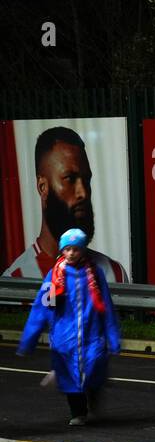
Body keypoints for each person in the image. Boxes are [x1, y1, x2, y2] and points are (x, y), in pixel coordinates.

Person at [16, 228, 121, 426]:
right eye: (68, 249)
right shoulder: (54, 276)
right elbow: (42, 309)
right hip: (65, 339)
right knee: (70, 377)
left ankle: (94, 396)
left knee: (94, 369)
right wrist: (28, 340)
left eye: (76, 249)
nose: (71, 253)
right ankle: (78, 413)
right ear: (62, 250)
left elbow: (105, 305)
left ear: (83, 250)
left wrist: (113, 337)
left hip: (92, 336)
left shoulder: (95, 274)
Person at [4, 126, 129, 282]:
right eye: (70, 178)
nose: (83, 193)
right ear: (43, 187)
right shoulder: (16, 280)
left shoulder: (114, 274)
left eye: (86, 179)